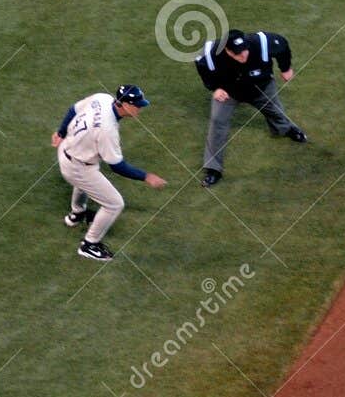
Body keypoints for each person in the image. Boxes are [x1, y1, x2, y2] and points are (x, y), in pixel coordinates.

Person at [53, 84, 166, 261]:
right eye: (137, 105)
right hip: (77, 166)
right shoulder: (108, 130)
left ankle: (77, 214)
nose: (140, 108)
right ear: (124, 105)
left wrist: (60, 132)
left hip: (67, 149)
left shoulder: (102, 98)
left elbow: (73, 109)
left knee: (87, 180)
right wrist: (147, 177)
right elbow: (117, 166)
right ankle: (89, 244)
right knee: (114, 204)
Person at [194, 28, 308, 187]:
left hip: (261, 87)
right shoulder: (211, 53)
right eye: (237, 53)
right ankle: (213, 170)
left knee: (275, 111)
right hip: (229, 92)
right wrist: (214, 88)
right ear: (227, 50)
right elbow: (201, 64)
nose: (243, 55)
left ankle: (286, 129)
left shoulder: (260, 42)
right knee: (217, 122)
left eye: (244, 50)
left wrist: (286, 68)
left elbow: (281, 45)